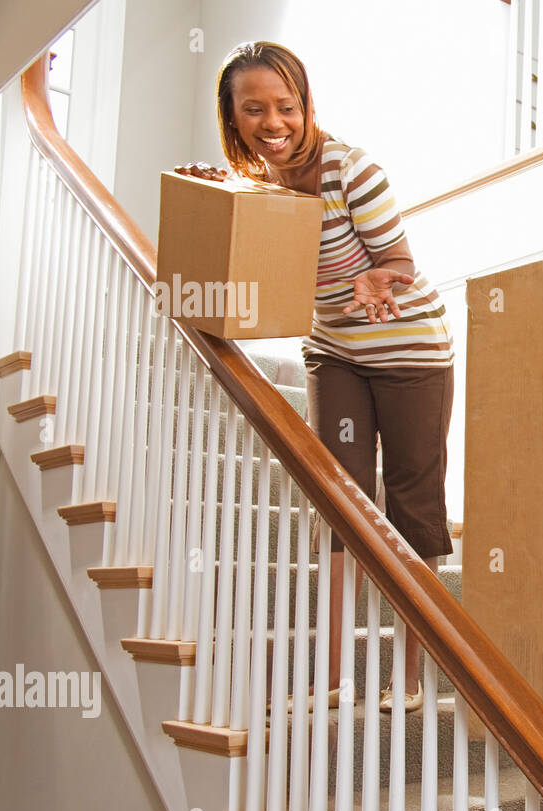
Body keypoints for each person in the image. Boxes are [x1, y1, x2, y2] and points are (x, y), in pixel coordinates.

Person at [177, 41, 453, 712]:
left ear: (305, 105)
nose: (273, 123)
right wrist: (209, 199)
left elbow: (399, 261)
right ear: (232, 116)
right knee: (338, 499)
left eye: (286, 106)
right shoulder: (257, 184)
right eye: (254, 109)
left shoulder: (352, 171)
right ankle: (331, 674)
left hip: (409, 352)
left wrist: (375, 278)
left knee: (411, 500)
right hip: (335, 352)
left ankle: (409, 674)